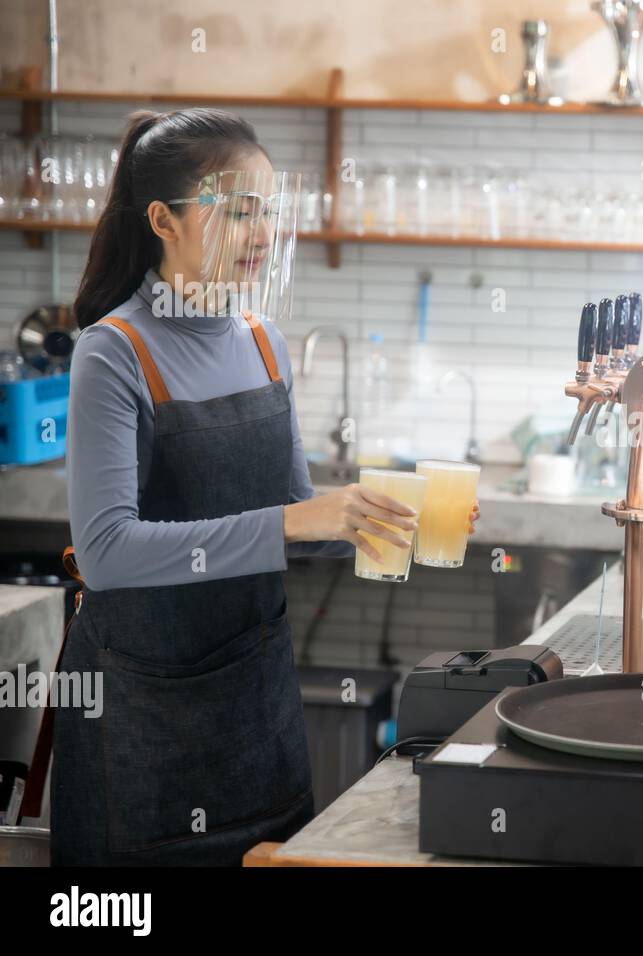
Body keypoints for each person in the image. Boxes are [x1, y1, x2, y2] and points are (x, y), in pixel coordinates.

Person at [48, 108, 477, 865]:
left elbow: (300, 534)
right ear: (164, 220)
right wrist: (297, 521)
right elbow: (109, 552)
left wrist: (390, 519)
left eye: (269, 212)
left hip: (255, 711)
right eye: (237, 211)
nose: (262, 233)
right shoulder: (113, 353)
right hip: (147, 719)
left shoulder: (264, 342)